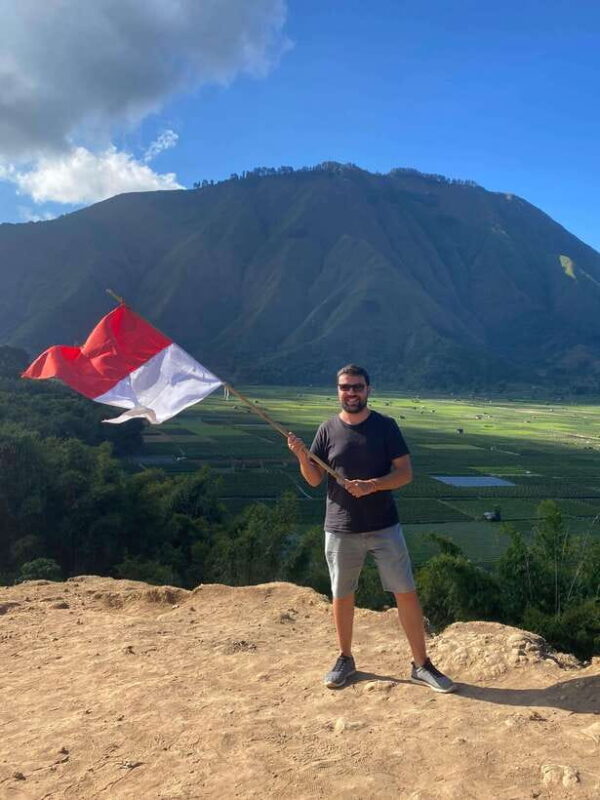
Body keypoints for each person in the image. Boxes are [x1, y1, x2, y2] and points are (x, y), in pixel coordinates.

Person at [287, 364, 455, 693]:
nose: (351, 392)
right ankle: (345, 658)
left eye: (357, 387)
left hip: (383, 526)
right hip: (339, 527)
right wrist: (301, 457)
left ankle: (421, 665)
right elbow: (314, 479)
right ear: (337, 390)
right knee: (342, 594)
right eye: (345, 387)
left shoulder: (386, 428)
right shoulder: (326, 429)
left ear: (368, 390)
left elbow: (405, 474)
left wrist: (373, 485)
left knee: (405, 592)